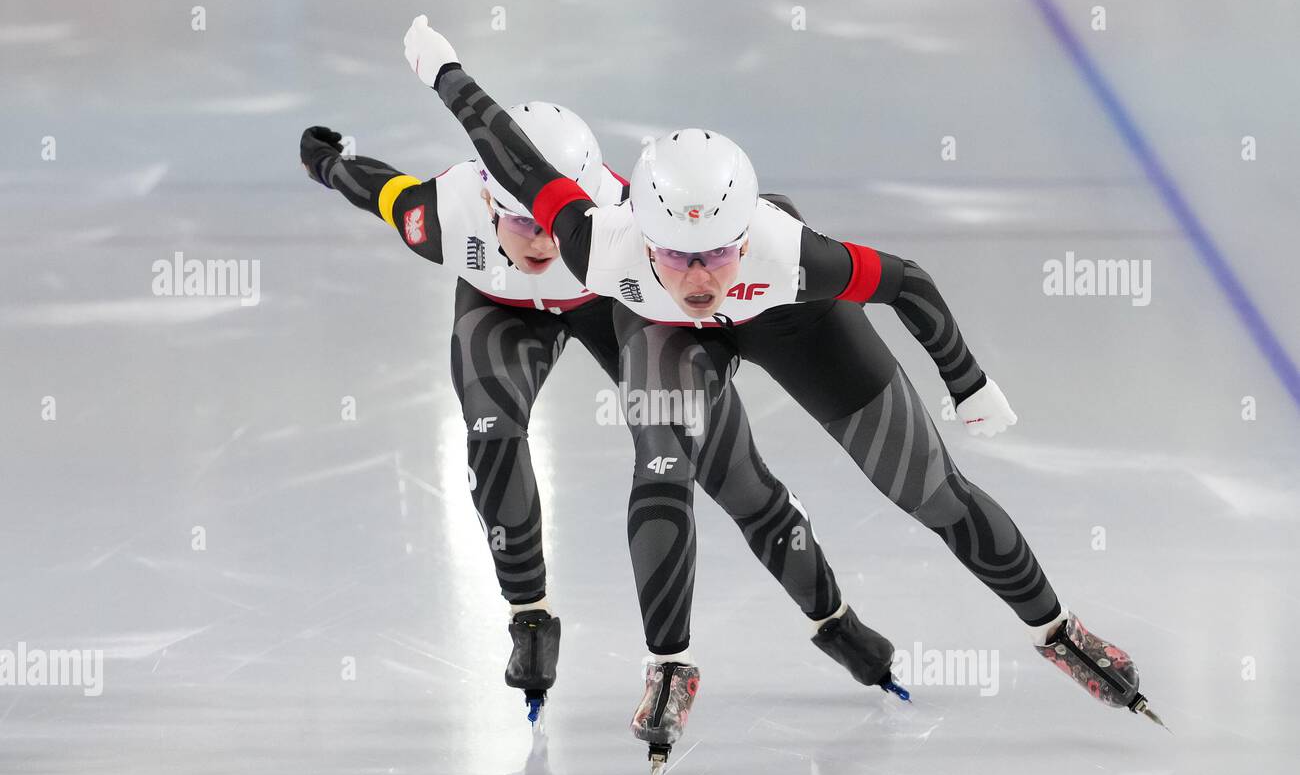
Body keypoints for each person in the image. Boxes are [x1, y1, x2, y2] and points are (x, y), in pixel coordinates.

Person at [400, 16, 1164, 761]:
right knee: (662, 466)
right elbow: (509, 149)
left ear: (745, 236)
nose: (700, 280)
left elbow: (909, 283)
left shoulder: (789, 255)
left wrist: (967, 382)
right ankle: (670, 666)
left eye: (718, 255)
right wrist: (444, 71)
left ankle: (1059, 631)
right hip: (665, 339)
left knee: (929, 490)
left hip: (790, 321)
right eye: (677, 257)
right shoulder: (598, 243)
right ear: (641, 233)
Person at [299, 107, 895, 735]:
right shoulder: (442, 213)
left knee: (730, 474)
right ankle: (529, 617)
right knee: (489, 434)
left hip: (615, 306)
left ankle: (834, 620)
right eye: (523, 221)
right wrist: (328, 162)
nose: (543, 242)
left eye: (554, 220)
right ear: (485, 201)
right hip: (501, 309)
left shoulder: (630, 223)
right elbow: (378, 190)